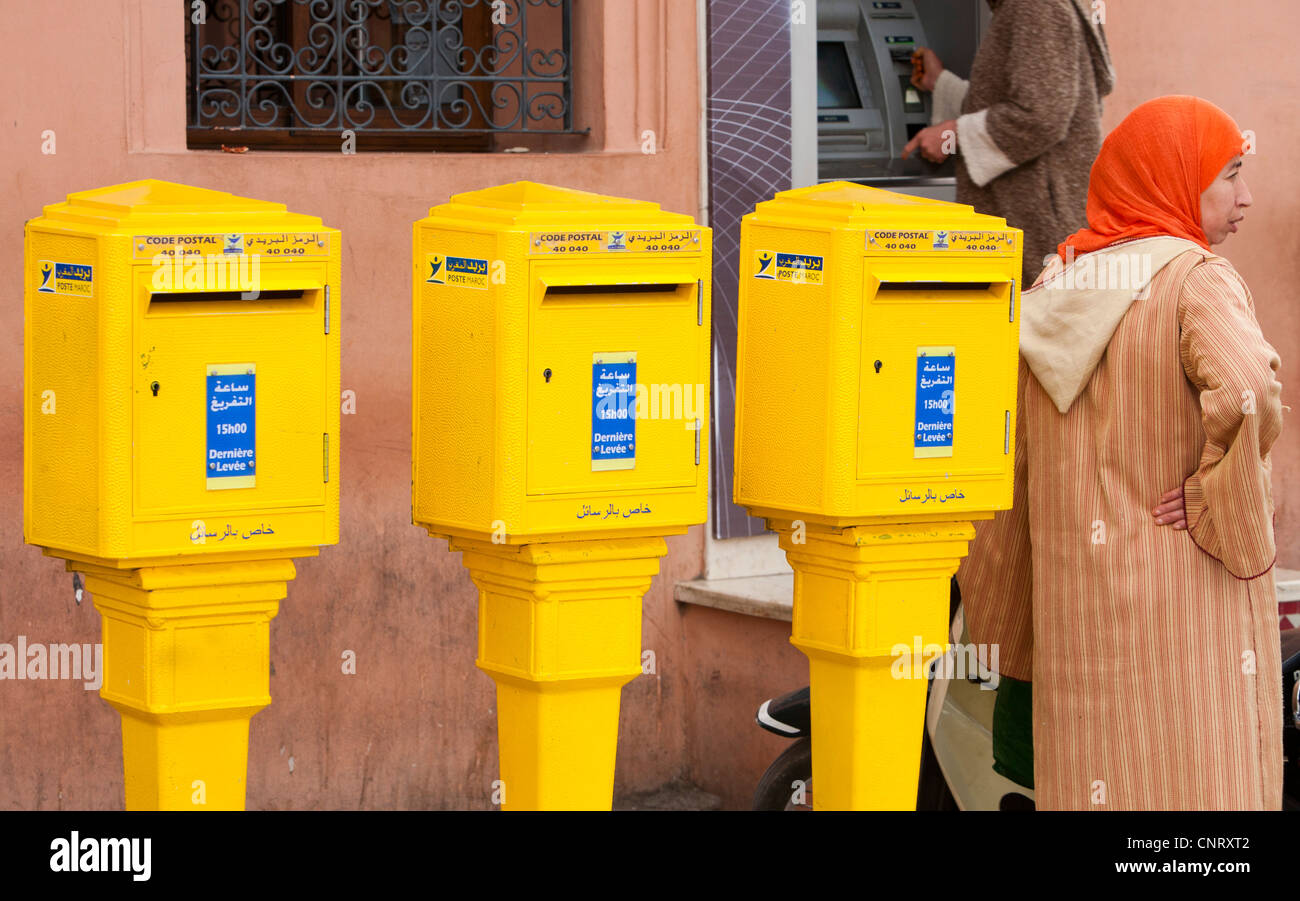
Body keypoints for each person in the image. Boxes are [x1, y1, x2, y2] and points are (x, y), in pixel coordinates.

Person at [957, 95, 1284, 810]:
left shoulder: (1056, 281)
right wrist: (1213, 500)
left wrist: (1009, 620)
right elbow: (1250, 391)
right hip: (1182, 607)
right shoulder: (1193, 279)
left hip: (1077, 619)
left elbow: (1002, 464)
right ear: (1175, 177)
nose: (1247, 195)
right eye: (1229, 173)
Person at [903, 0, 1114, 287]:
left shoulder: (1035, 7)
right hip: (1043, 220)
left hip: (1032, 224)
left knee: (1022, 323)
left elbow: (1041, 116)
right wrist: (940, 83)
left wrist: (954, 134)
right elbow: (1018, 100)